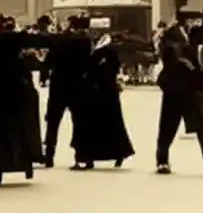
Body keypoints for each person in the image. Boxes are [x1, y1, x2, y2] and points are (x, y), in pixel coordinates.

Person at [0, 16, 48, 187]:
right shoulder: (14, 39)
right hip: (14, 91)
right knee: (19, 129)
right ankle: (23, 163)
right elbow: (40, 43)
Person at [154, 10, 203, 177]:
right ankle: (162, 161)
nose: (194, 23)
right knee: (168, 126)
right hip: (175, 86)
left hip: (193, 86)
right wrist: (185, 59)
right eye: (192, 20)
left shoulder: (197, 34)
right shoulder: (170, 34)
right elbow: (169, 53)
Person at [70, 29, 135, 169]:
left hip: (99, 95)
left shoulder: (103, 54)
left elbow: (100, 73)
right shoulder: (101, 53)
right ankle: (110, 154)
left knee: (97, 126)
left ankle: (90, 156)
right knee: (107, 125)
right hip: (102, 95)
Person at [41, 15, 90, 168]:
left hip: (58, 84)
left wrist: (44, 76)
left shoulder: (59, 39)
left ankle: (49, 154)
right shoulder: (84, 41)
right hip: (77, 84)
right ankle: (80, 155)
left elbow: (49, 60)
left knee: (53, 121)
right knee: (79, 121)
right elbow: (88, 62)